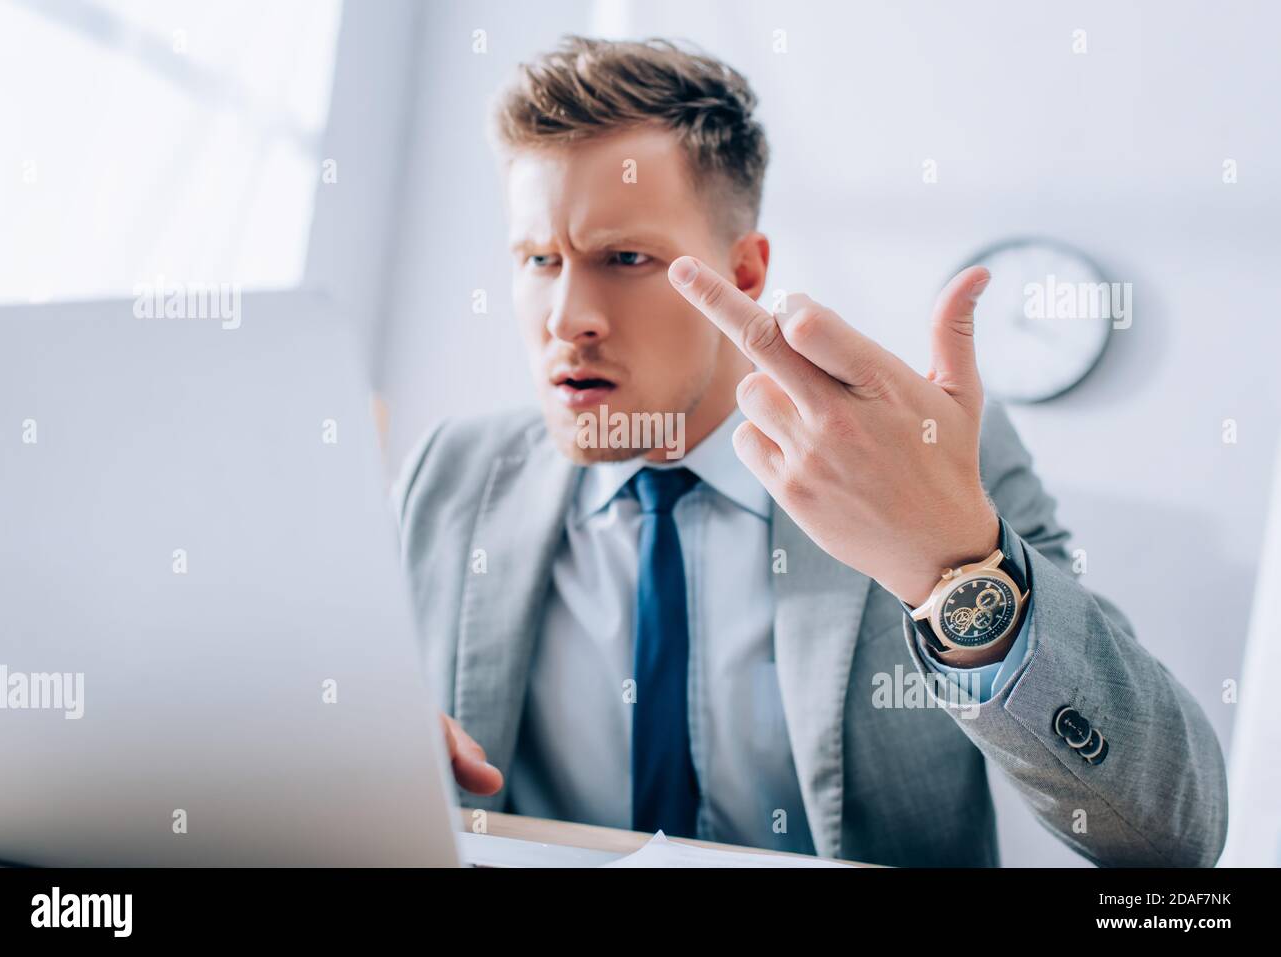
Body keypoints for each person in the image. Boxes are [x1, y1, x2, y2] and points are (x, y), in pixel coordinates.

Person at [394, 36, 1227, 866]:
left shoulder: (930, 459)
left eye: (625, 258)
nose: (567, 315)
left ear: (746, 271)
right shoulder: (451, 475)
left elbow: (1172, 833)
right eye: (539, 259)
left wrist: (954, 562)